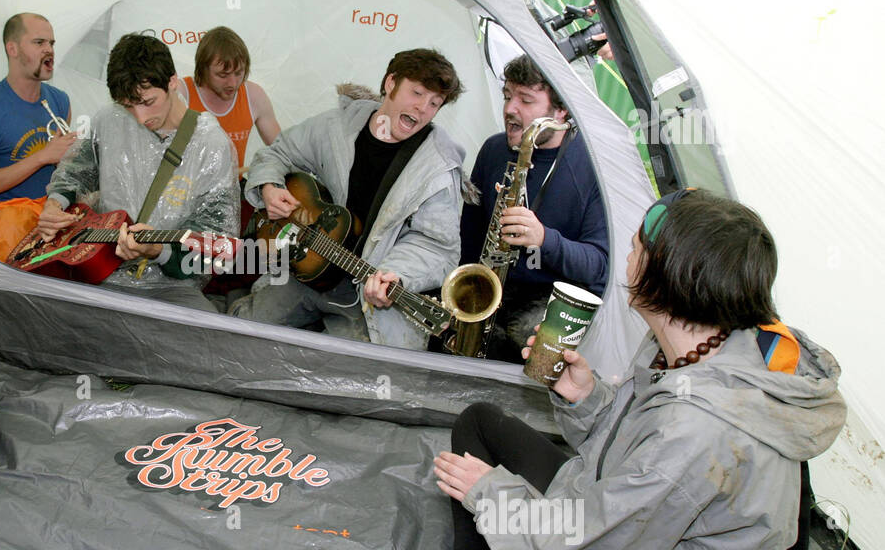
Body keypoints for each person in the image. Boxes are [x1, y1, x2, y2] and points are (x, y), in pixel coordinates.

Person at [388, 189, 845, 550]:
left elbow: (605, 543)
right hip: (623, 522)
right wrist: (588, 400)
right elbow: (633, 460)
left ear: (670, 277)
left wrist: (492, 495)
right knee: (478, 424)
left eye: (636, 249)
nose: (626, 259)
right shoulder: (697, 345)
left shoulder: (700, 429)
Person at [232, 48, 465, 350]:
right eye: (417, 93)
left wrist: (397, 273)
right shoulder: (336, 126)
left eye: (434, 103)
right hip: (307, 269)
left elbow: (437, 246)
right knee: (240, 334)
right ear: (390, 83)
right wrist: (270, 186)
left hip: (365, 291)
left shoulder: (438, 168)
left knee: (348, 375)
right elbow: (278, 152)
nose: (423, 108)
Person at [31, 33, 239, 312]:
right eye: (129, 106)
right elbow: (76, 172)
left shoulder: (211, 145)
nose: (140, 117)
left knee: (207, 338)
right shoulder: (109, 120)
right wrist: (56, 204)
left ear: (172, 82)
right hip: (101, 271)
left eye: (148, 102)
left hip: (170, 287)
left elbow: (216, 245)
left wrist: (159, 251)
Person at [459, 55, 607, 360]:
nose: (510, 109)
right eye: (507, 96)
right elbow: (469, 237)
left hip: (555, 296)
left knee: (529, 350)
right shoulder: (493, 149)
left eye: (525, 100)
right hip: (494, 285)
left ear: (561, 110)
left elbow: (599, 264)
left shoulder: (596, 169)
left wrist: (544, 238)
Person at [0, 12, 76, 204]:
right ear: (12, 49)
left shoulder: (61, 101)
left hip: (55, 216)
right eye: (39, 42)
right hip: (9, 223)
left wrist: (71, 157)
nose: (49, 50)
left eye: (51, 43)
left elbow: (63, 174)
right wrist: (43, 156)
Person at [181, 26, 282, 171]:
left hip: (234, 188)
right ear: (203, 70)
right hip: (188, 190)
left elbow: (283, 151)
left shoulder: (254, 95)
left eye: (238, 73)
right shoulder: (182, 94)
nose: (233, 84)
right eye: (222, 75)